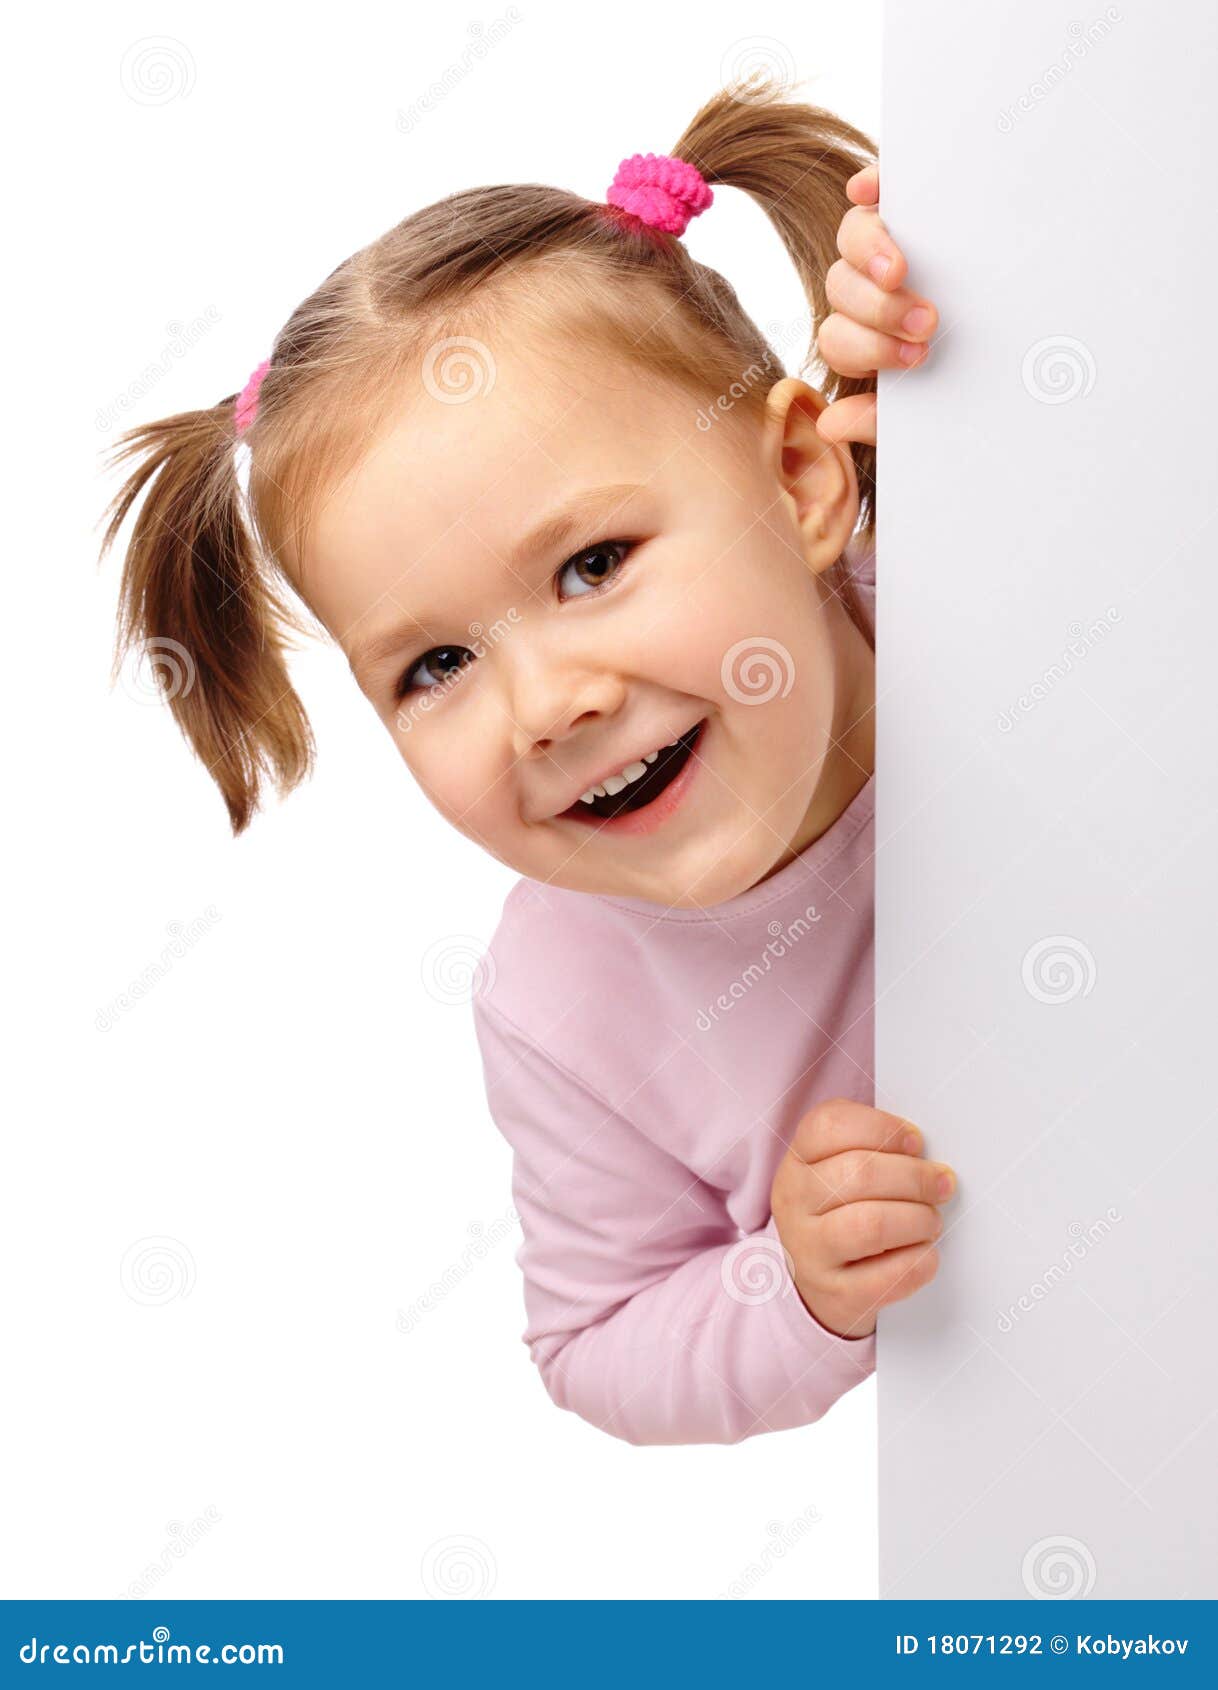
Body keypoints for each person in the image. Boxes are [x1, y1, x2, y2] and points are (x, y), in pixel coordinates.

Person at [99, 74, 952, 1446]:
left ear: (799, 480)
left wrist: (968, 327)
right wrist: (785, 1284)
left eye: (592, 563)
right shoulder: (565, 1005)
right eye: (434, 665)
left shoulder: (979, 585)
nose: (545, 705)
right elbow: (594, 1341)